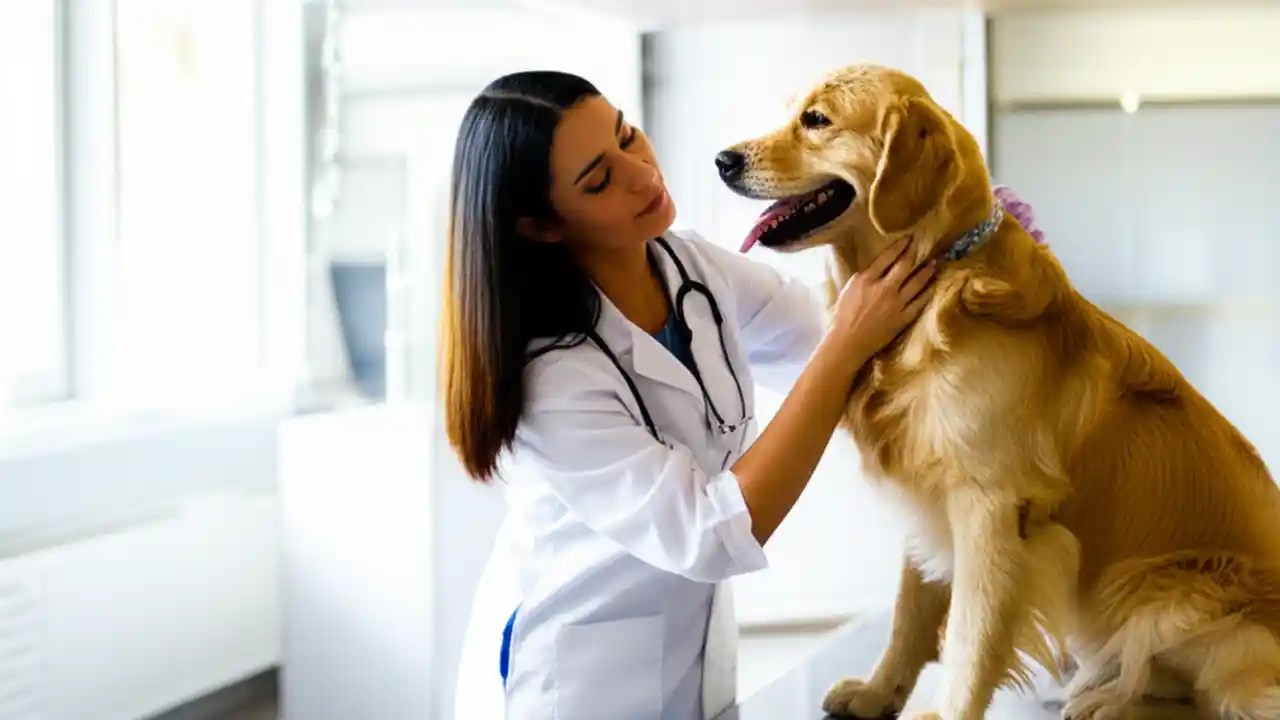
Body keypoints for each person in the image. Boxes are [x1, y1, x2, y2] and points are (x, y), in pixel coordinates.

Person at [443, 70, 935, 720]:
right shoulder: (552, 379)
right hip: (576, 687)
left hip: (692, 667)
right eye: (600, 179)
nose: (642, 174)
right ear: (541, 225)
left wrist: (965, 250)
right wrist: (845, 344)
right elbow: (711, 532)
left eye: (627, 136)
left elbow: (851, 339)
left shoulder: (691, 268)